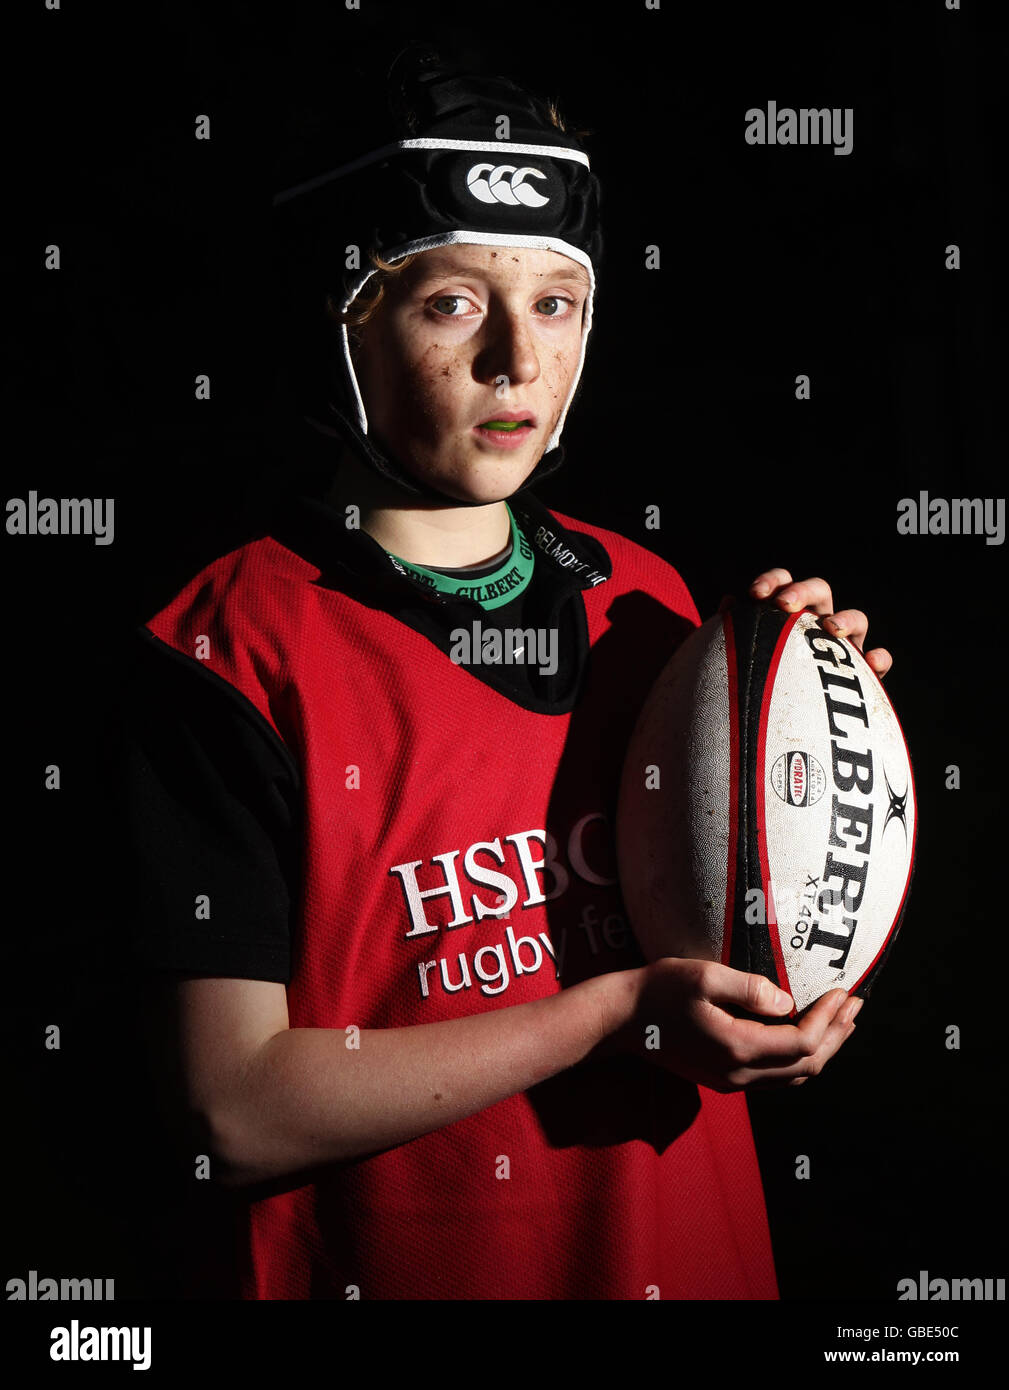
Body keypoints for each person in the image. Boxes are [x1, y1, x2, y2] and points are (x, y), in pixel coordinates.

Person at [119, 50, 891, 1300]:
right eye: (449, 302)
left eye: (554, 302)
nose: (514, 363)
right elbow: (233, 1107)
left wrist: (798, 718)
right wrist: (613, 1012)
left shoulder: (652, 601)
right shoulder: (226, 650)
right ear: (342, 321)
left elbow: (733, 931)